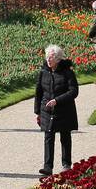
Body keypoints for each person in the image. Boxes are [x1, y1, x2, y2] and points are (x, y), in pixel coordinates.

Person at [35, 45, 79, 176]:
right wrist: (37, 111)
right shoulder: (44, 72)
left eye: (51, 57)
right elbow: (38, 92)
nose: (48, 60)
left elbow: (74, 91)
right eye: (47, 57)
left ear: (58, 59)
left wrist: (57, 100)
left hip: (64, 110)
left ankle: (66, 164)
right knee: (48, 137)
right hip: (47, 110)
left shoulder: (68, 72)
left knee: (65, 137)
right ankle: (47, 166)